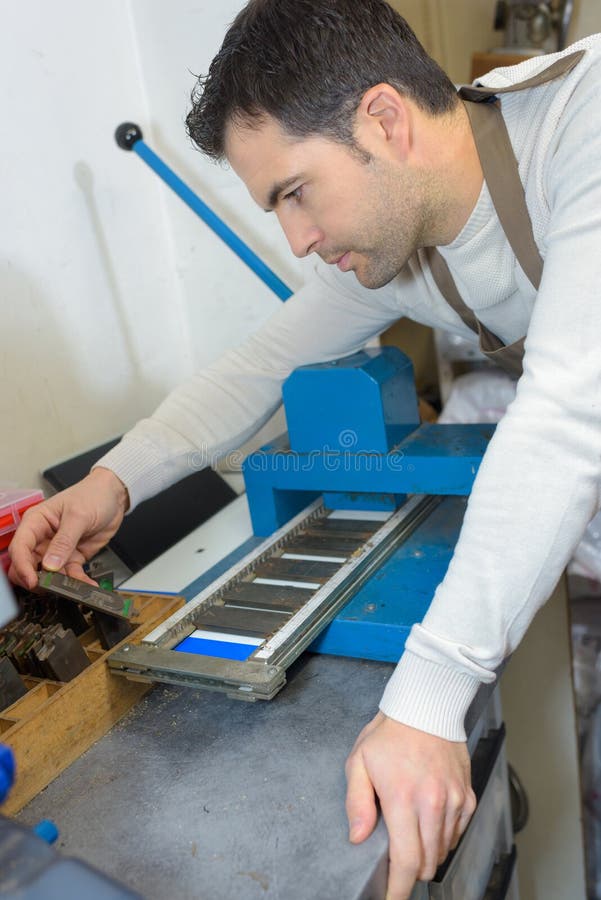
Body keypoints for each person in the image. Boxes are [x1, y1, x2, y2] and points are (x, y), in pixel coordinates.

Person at [9, 1, 601, 896]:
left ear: (384, 120)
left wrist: (428, 697)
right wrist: (111, 483)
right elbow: (255, 368)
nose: (296, 240)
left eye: (294, 192)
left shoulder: (580, 127)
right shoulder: (403, 246)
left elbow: (562, 418)